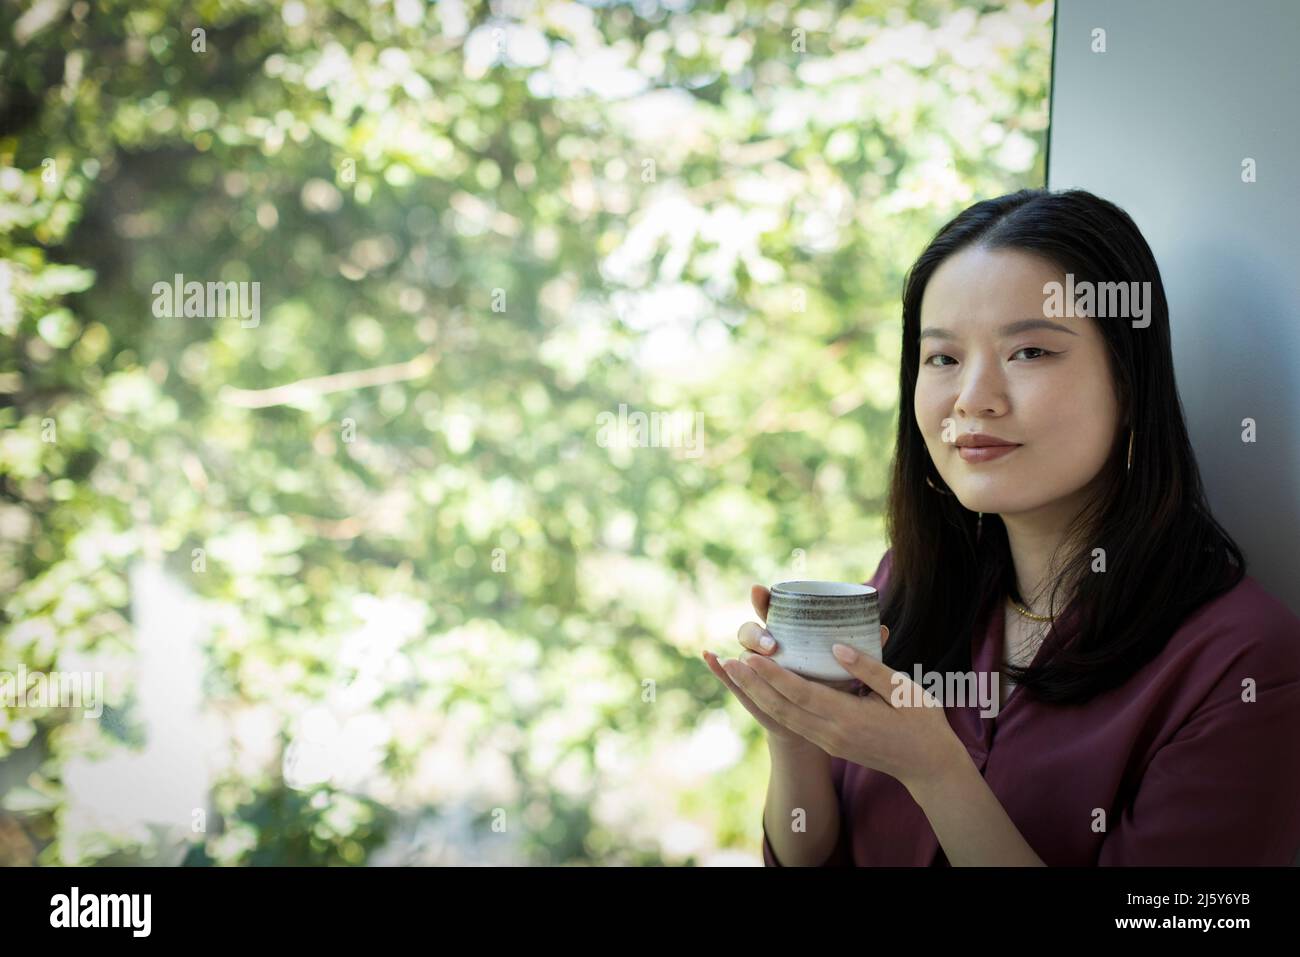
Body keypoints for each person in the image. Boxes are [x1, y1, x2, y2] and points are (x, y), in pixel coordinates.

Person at [703, 188, 1300, 865]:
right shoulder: (912, 582)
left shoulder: (1246, 663)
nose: (973, 398)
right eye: (943, 358)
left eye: (1030, 352)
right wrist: (797, 728)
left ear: (1129, 383)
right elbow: (808, 857)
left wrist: (937, 773)